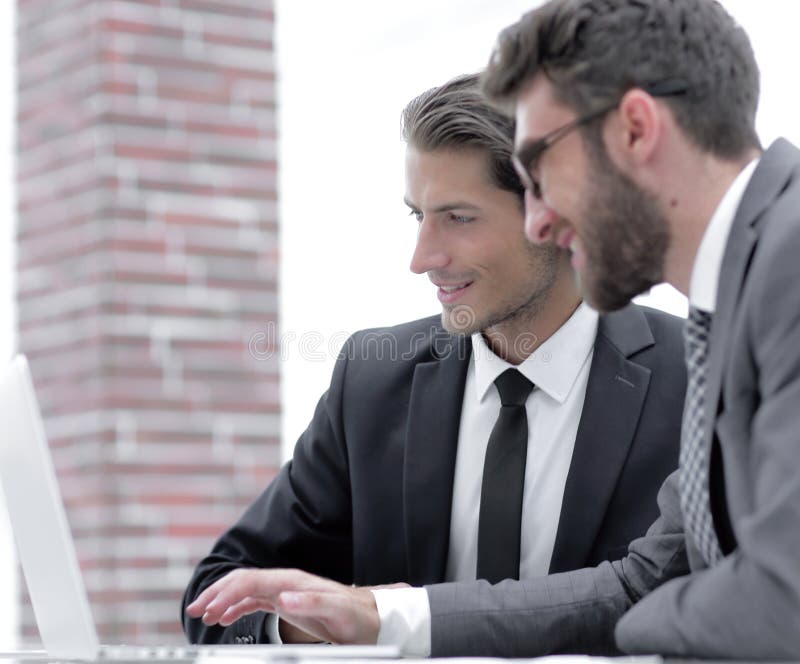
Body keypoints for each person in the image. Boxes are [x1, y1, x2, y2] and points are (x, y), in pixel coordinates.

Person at [185, 0, 800, 659]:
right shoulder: (736, 298)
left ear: (635, 130)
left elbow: (774, 599)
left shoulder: (779, 269)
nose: (542, 219)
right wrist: (382, 618)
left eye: (539, 169)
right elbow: (644, 584)